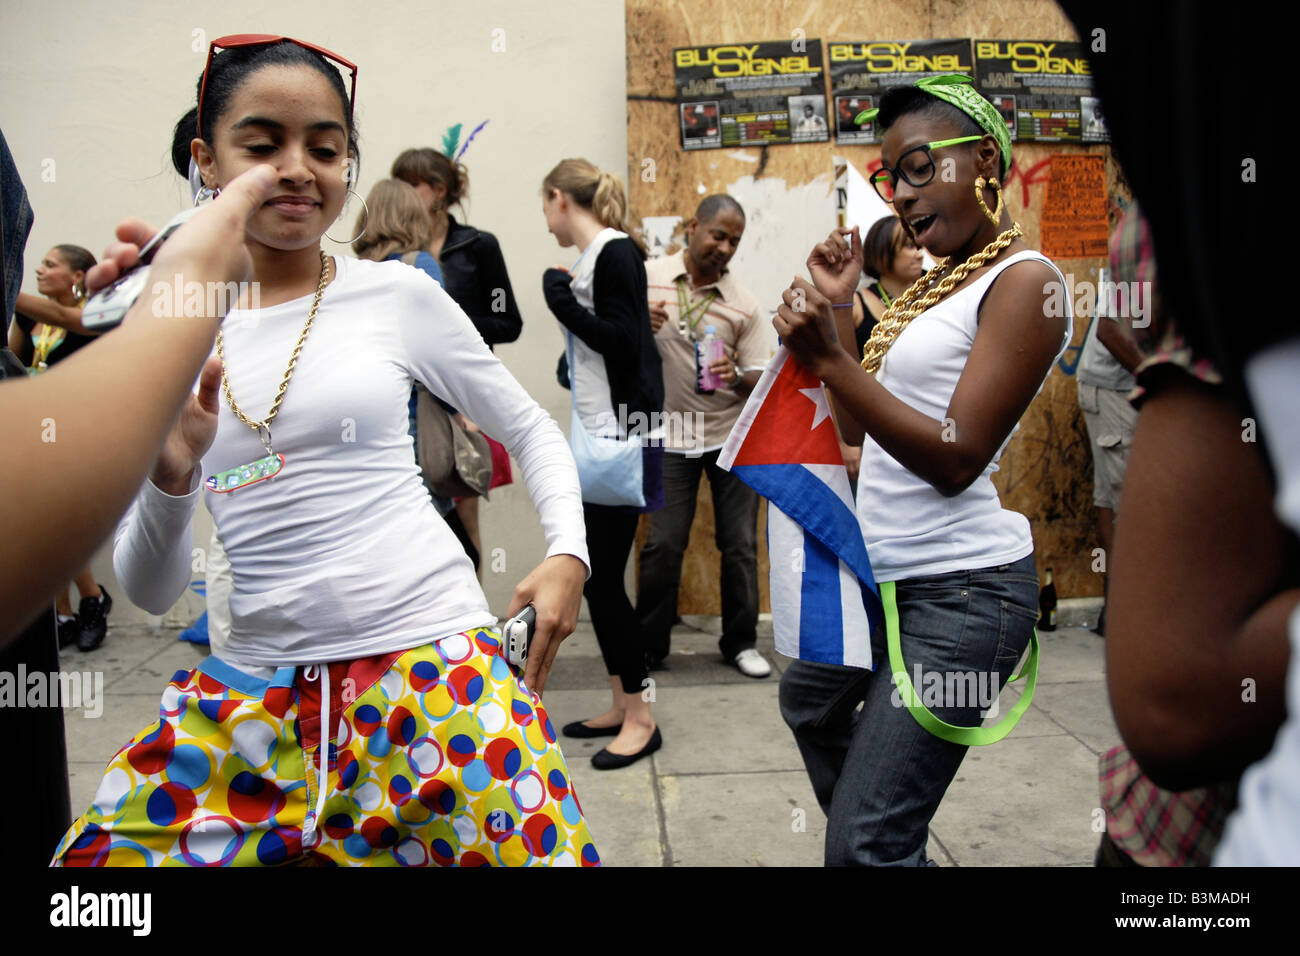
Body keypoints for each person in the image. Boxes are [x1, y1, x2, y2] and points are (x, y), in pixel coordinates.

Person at [51, 36, 597, 867]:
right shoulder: (165, 326)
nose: (298, 168)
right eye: (263, 144)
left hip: (436, 684)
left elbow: (525, 426)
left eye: (326, 147)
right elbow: (150, 585)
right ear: (206, 157)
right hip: (252, 703)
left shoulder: (398, 295)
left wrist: (568, 554)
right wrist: (170, 479)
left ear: (349, 164)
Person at [774, 74, 1071, 865]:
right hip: (886, 579)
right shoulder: (933, 291)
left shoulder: (1027, 283)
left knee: (863, 842)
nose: (898, 195)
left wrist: (832, 359)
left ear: (982, 159)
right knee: (810, 704)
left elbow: (955, 457)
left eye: (916, 167)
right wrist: (841, 306)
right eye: (888, 177)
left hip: (962, 593)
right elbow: (855, 430)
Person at [541, 158, 666, 770]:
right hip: (603, 432)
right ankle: (623, 703)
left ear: (561, 198)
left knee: (606, 583)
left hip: (621, 436)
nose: (546, 223)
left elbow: (622, 339)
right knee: (599, 580)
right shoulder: (600, 257)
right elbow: (605, 350)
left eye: (546, 207)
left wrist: (560, 302)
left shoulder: (615, 251)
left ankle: (642, 717)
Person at [638, 194, 771, 678]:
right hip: (669, 436)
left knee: (738, 544)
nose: (725, 247)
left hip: (728, 438)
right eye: (718, 234)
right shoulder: (649, 279)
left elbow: (763, 379)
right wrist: (638, 325)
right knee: (663, 544)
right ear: (693, 227)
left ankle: (740, 643)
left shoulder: (743, 305)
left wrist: (734, 374)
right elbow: (608, 342)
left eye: (734, 240)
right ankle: (649, 648)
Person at [392, 148, 522, 577]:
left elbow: (508, 322)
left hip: (460, 399)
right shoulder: (393, 249)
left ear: (439, 191)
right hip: (407, 401)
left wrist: (450, 326)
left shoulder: (477, 246)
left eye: (411, 183)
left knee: (462, 514)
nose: (401, 192)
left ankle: (472, 621)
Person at [351, 178, 481, 571]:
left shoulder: (355, 275)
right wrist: (460, 409)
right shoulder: (419, 265)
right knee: (458, 554)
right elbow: (437, 353)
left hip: (370, 430)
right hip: (412, 427)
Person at [9, 244, 115, 650]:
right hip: (33, 430)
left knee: (56, 523)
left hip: (75, 430)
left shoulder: (93, 315)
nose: (38, 269)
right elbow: (13, 365)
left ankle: (89, 599)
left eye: (50, 265)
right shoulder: (27, 316)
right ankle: (66, 611)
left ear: (76, 278)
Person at [1073, 252, 1143, 637]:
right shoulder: (1143, 245)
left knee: (1114, 494)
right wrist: (1157, 376)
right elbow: (1109, 331)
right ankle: (1123, 613)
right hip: (1112, 388)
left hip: (1122, 387)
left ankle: (1117, 610)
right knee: (1123, 498)